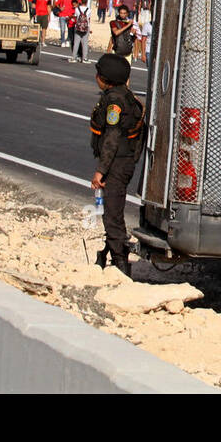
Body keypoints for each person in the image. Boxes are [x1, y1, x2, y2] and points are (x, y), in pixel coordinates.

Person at [90, 53, 145, 277]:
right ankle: (111, 252)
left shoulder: (115, 102)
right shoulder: (124, 96)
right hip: (122, 162)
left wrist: (101, 171)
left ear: (106, 78)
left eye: (99, 74)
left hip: (116, 164)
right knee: (111, 211)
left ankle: (121, 265)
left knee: (112, 213)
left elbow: (112, 137)